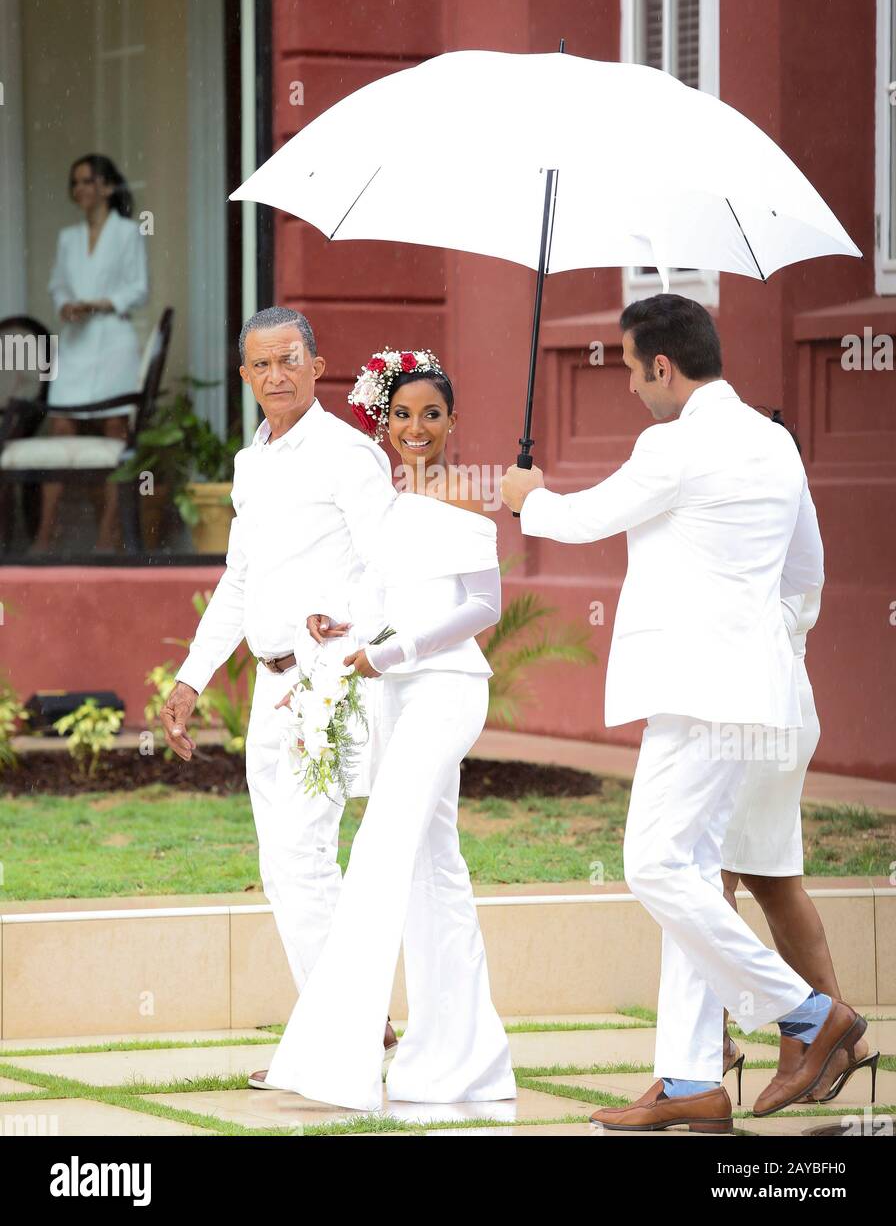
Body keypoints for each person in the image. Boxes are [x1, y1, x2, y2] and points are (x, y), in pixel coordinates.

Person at [501, 294, 869, 1132]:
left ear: (664, 366)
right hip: (753, 689)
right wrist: (764, 643)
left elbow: (586, 516)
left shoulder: (674, 444)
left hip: (697, 694)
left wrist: (528, 497)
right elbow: (805, 571)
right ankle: (690, 1080)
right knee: (693, 878)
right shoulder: (775, 443)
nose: (632, 387)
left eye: (632, 370)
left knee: (656, 867)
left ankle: (810, 1016)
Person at [261, 348, 515, 1112]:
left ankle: (335, 1056)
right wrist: (343, 630)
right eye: (402, 414)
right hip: (398, 689)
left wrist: (389, 652)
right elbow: (396, 596)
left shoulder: (469, 493)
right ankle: (462, 1060)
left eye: (431, 414)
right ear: (386, 420)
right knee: (435, 869)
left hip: (448, 688)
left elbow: (482, 608)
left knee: (379, 848)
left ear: (452, 422)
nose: (415, 428)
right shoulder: (394, 500)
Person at [161, 308, 400, 1071]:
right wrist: (191, 678)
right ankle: (353, 1024)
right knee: (284, 866)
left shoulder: (349, 455)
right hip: (270, 686)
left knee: (302, 858)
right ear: (244, 377)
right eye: (261, 365)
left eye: (289, 360)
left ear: (318, 363)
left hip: (327, 683)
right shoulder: (251, 461)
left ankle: (341, 1037)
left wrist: (354, 628)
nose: (276, 376)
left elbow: (386, 565)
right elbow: (239, 578)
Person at [720, 420, 877, 1106]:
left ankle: (733, 1036)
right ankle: (845, 1039)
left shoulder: (763, 518)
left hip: (757, 710)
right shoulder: (773, 509)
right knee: (770, 875)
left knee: (709, 875)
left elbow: (780, 610)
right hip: (773, 707)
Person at [34, 154, 149, 552]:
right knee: (61, 430)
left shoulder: (128, 233)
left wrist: (100, 303)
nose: (80, 189)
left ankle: (107, 538)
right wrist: (66, 303)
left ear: (108, 187)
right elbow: (57, 284)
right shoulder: (68, 238)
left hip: (114, 341)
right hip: (76, 342)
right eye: (75, 183)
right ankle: (45, 536)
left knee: (114, 435)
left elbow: (139, 289)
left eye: (87, 181)